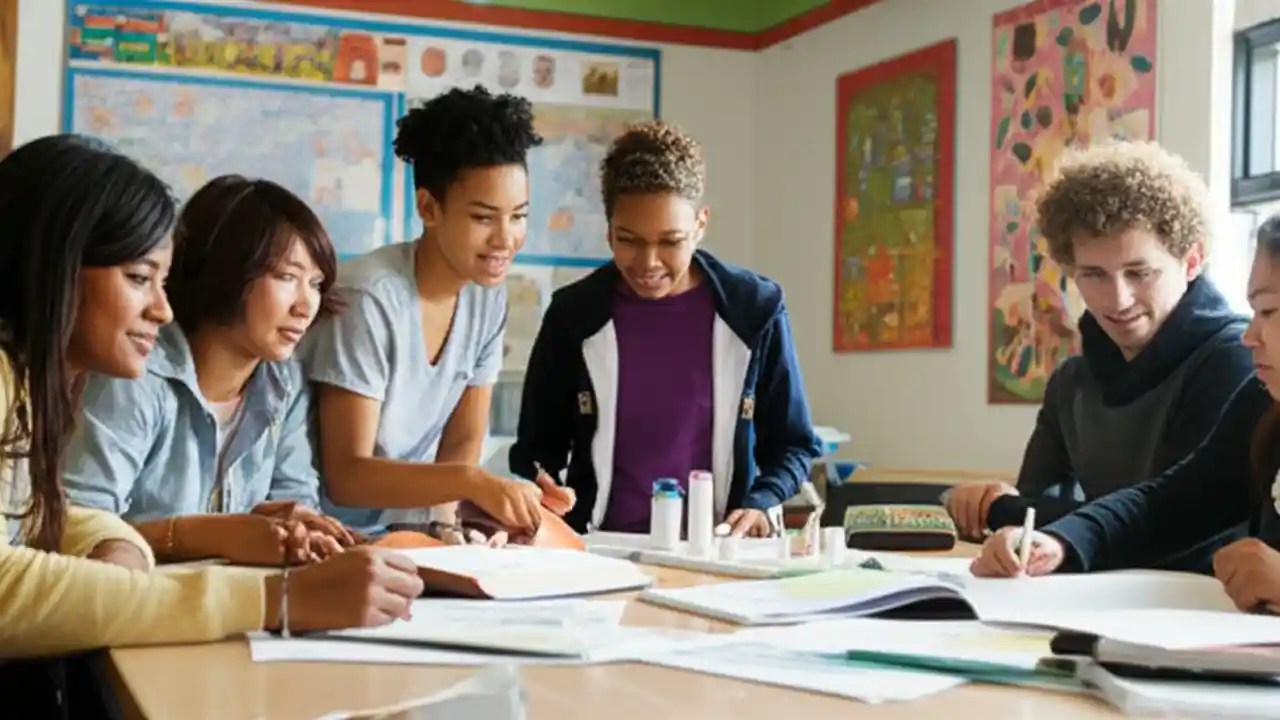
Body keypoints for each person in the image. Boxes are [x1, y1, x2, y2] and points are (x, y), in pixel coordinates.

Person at [0, 135, 422, 664]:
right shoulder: (100, 376)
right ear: (54, 266)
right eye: (138, 279)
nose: (162, 310)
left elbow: (45, 517)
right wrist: (275, 598)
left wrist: (120, 548)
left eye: (315, 283)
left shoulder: (32, 387)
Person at [944, 142, 1255, 569]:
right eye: (1093, 275)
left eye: (1139, 273)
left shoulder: (1238, 359)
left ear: (1192, 260)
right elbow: (1035, 513)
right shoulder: (1071, 381)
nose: (1119, 298)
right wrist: (1013, 514)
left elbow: (1170, 528)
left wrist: (1002, 510)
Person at [507, 120, 822, 536]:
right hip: (599, 547)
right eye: (629, 240)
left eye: (671, 241)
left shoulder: (755, 310)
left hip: (720, 550)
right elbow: (535, 449)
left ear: (700, 225)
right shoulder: (572, 315)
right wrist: (541, 485)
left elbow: (793, 445)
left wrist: (761, 502)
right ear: (608, 229)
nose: (648, 263)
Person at [970, 215, 1280, 614]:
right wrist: (1061, 542)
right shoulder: (1264, 404)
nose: (1249, 336)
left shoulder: (1227, 362)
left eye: (1269, 312)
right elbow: (1171, 504)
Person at [301, 85, 572, 540]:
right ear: (429, 207)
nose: (505, 239)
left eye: (519, 215)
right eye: (484, 218)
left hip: (406, 530)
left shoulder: (487, 297)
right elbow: (346, 476)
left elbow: (462, 445)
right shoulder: (367, 299)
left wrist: (476, 511)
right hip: (327, 533)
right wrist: (471, 484)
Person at [62, 175, 353, 567]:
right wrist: (215, 535)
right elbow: (76, 527)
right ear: (229, 270)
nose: (306, 305)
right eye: (286, 277)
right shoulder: (135, 371)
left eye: (316, 284)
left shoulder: (284, 382)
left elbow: (295, 498)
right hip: (130, 604)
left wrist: (301, 531)